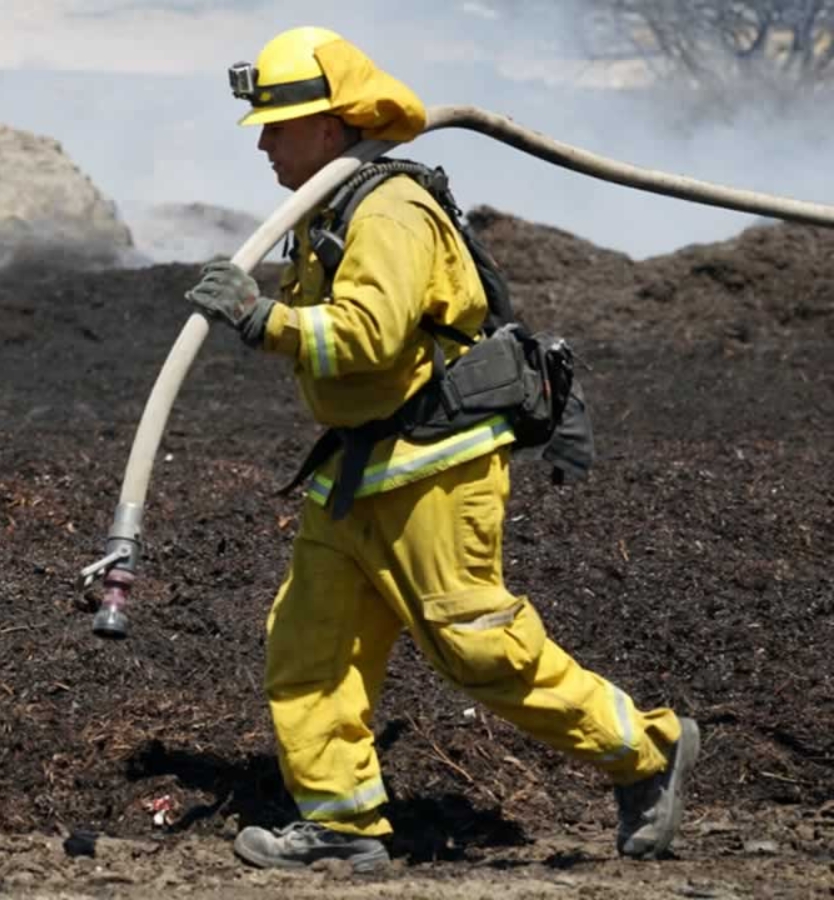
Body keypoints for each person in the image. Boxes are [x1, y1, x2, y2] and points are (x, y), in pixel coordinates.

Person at [183, 26, 699, 874]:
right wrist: (265, 317)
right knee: (309, 649)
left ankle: (648, 750)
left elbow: (369, 337)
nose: (265, 145)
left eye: (278, 126)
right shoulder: (328, 212)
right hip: (357, 472)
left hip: (433, 467)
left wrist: (259, 319)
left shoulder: (390, 210)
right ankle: (342, 825)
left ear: (331, 125)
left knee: (478, 647)